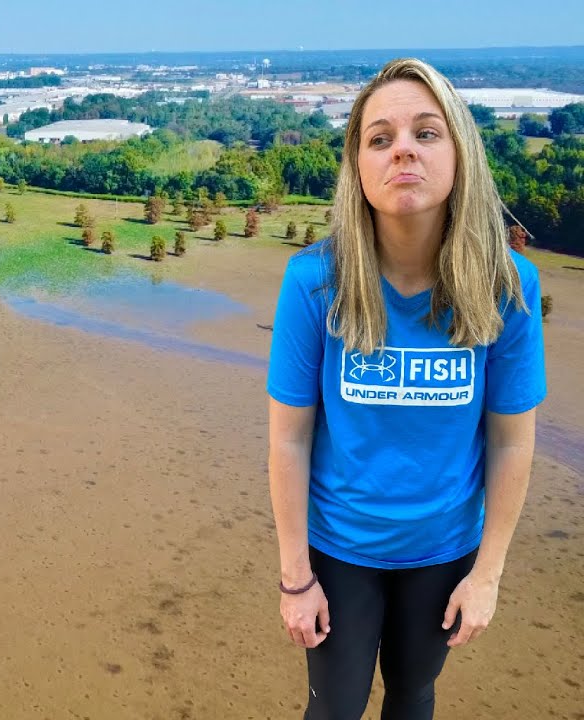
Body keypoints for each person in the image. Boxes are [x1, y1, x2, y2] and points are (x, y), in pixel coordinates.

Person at [266, 58, 545, 719]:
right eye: (380, 138)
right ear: (357, 167)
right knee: (334, 709)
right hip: (340, 549)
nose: (403, 153)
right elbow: (288, 438)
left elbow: (511, 443)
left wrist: (488, 576)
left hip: (445, 551)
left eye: (426, 132)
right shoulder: (315, 283)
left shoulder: (508, 285)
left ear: (459, 152)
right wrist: (295, 577)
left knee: (413, 696)